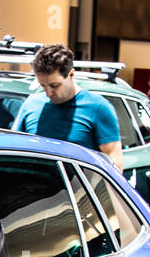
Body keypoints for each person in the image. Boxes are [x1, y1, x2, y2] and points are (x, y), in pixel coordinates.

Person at [13, 43, 122, 171]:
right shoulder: (31, 104)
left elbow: (115, 165)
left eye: (54, 86)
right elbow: (14, 149)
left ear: (71, 74)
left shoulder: (98, 108)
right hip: (33, 187)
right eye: (42, 85)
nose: (48, 92)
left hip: (77, 190)